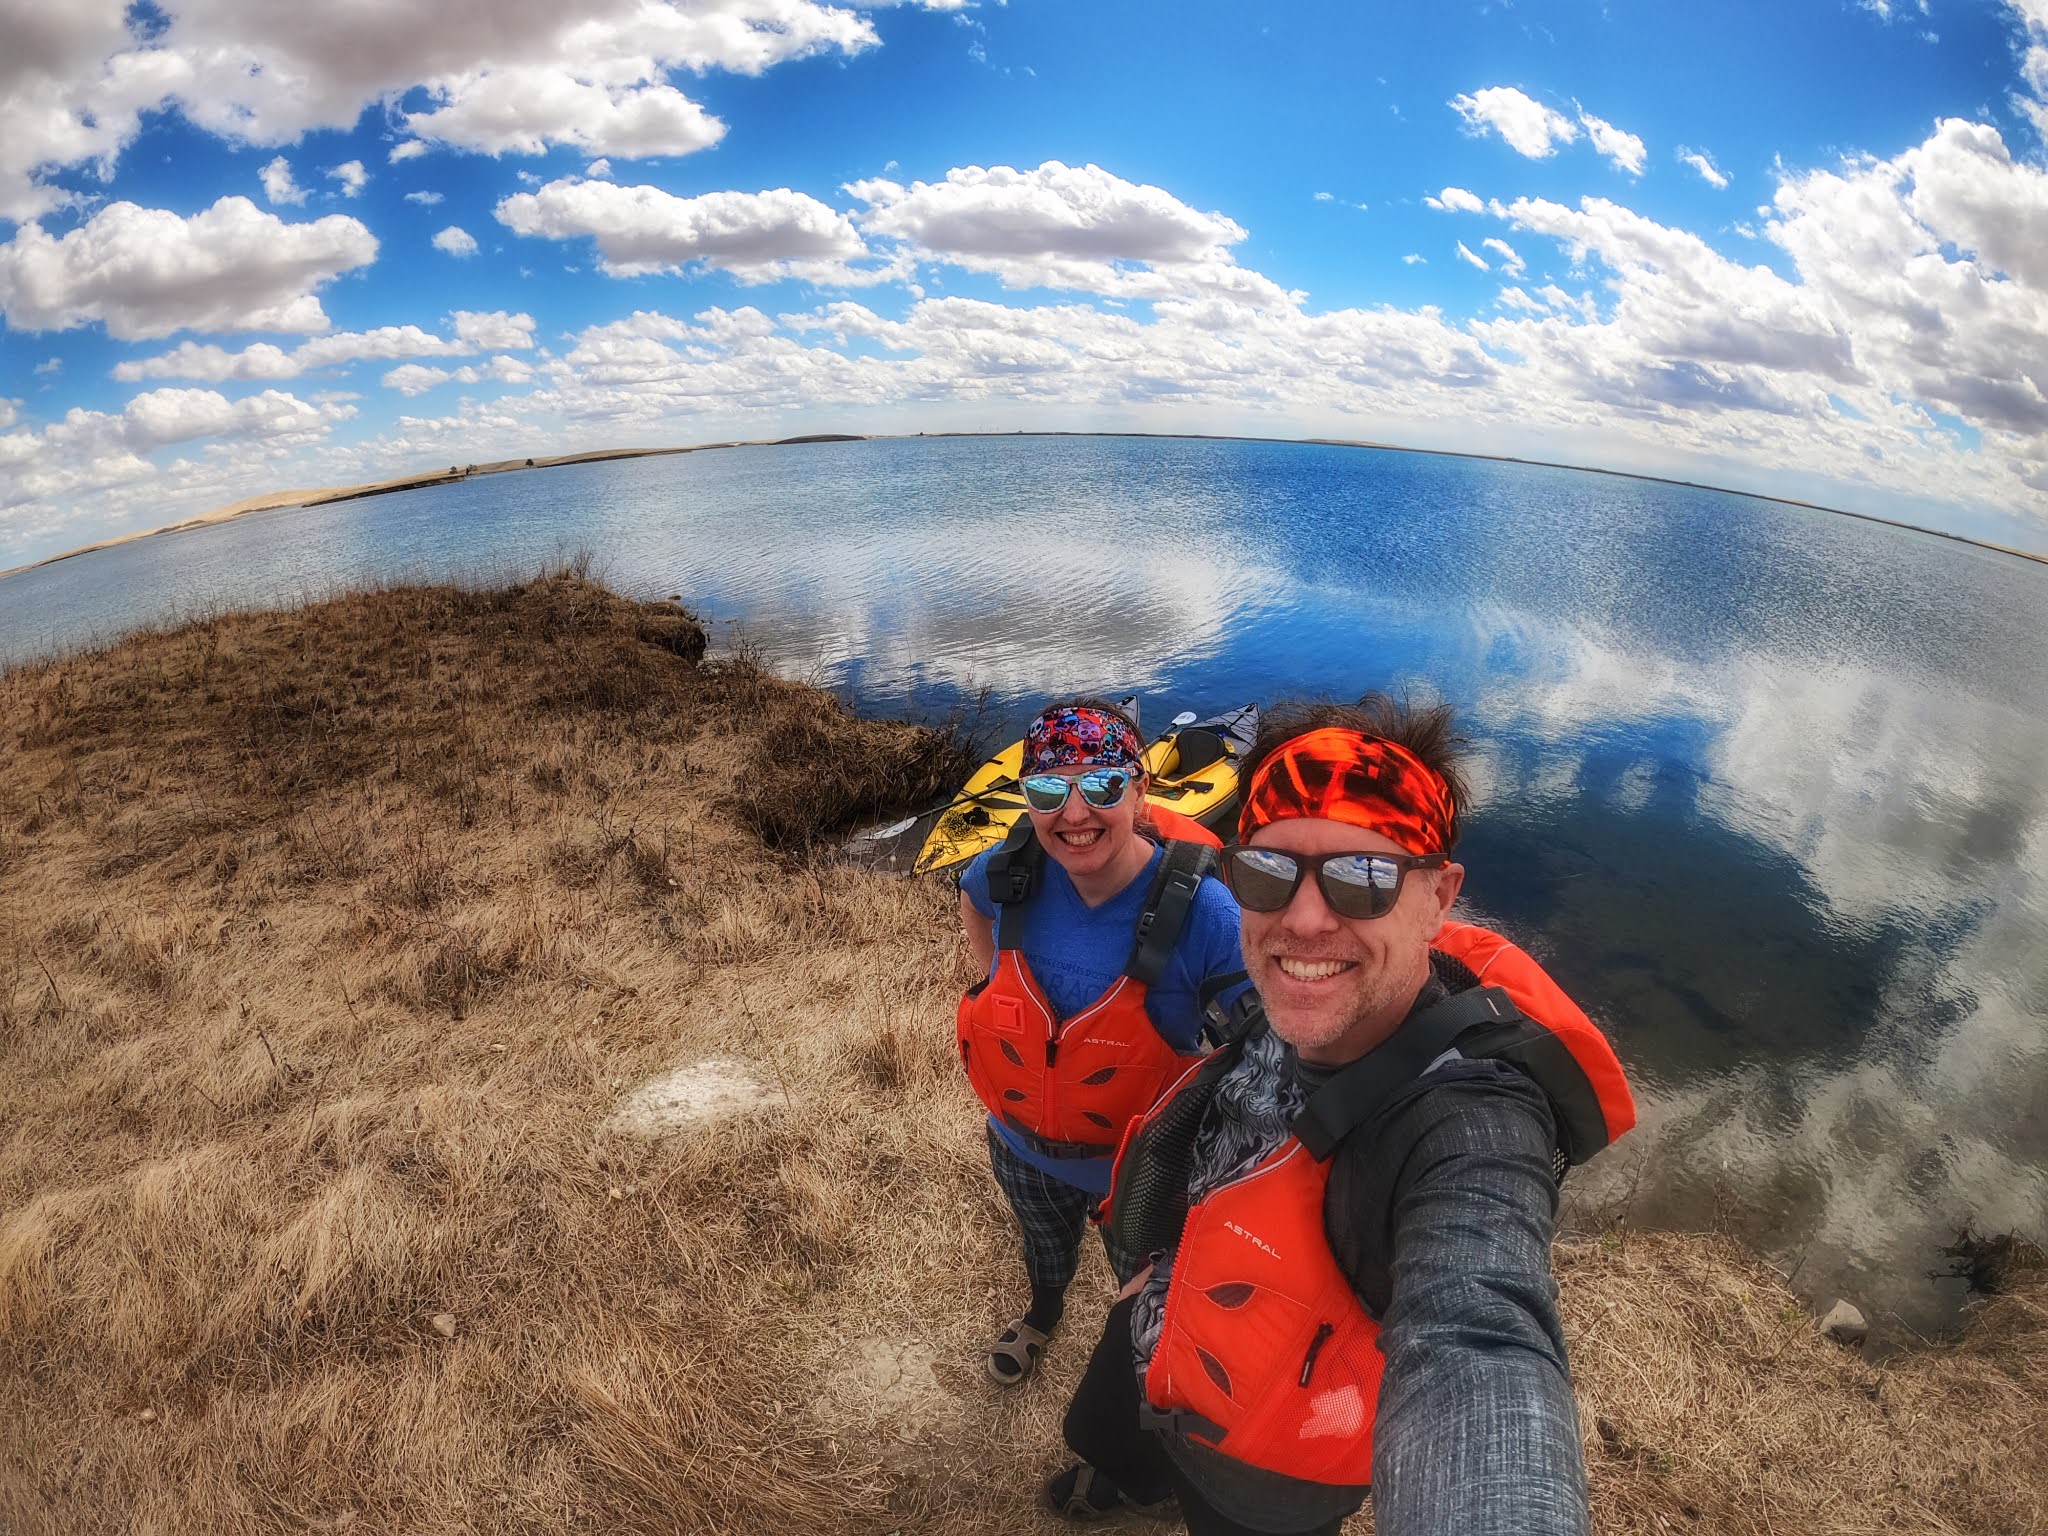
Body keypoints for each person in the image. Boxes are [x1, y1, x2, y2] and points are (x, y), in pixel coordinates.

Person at [1047, 695, 1635, 1535]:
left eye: (1364, 878)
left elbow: (1479, 1339)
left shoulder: (1468, 1125)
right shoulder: (1294, 991)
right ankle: (1131, 1481)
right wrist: (1156, 1264)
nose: (1305, 919)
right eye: (1268, 872)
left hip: (1265, 1465)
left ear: (1440, 897)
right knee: (1114, 1434)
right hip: (1164, 1323)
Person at [957, 698, 1251, 1387]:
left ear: (1140, 789)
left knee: (1147, 1293)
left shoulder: (1204, 911)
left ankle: (1133, 1378)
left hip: (1143, 1168)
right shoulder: (1010, 874)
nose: (1075, 813)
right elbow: (972, 899)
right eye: (1049, 788)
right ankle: (1043, 1311)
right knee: (1044, 1247)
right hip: (1022, 1144)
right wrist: (991, 983)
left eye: (1102, 785)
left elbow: (1267, 1039)